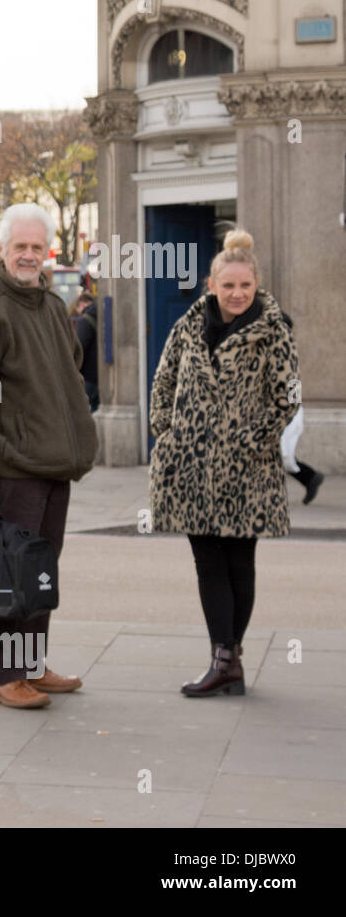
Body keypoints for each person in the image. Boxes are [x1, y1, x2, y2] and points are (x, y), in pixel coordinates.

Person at [0, 203, 98, 709]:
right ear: (3, 250)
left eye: (38, 247)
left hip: (55, 466)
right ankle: (2, 676)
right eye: (21, 247)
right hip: (12, 470)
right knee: (8, 573)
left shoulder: (53, 307)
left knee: (40, 572)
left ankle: (31, 665)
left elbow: (70, 374)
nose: (29, 255)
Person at [149, 229, 299, 697]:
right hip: (190, 466)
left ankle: (228, 658)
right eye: (228, 286)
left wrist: (253, 440)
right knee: (206, 562)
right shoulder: (189, 326)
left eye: (245, 287)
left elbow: (287, 397)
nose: (237, 294)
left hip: (246, 470)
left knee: (239, 561)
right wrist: (167, 431)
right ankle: (224, 658)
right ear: (211, 285)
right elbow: (164, 378)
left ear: (256, 286)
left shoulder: (274, 331)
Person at [277, 315, 324, 505]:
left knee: (284, 455)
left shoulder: (286, 351)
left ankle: (310, 477)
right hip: (276, 411)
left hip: (287, 412)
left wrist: (289, 410)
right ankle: (310, 477)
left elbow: (293, 382)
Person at [71, 292, 99, 412]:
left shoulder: (84, 321)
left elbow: (78, 348)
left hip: (88, 376)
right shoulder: (101, 315)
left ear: (81, 305)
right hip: (101, 377)